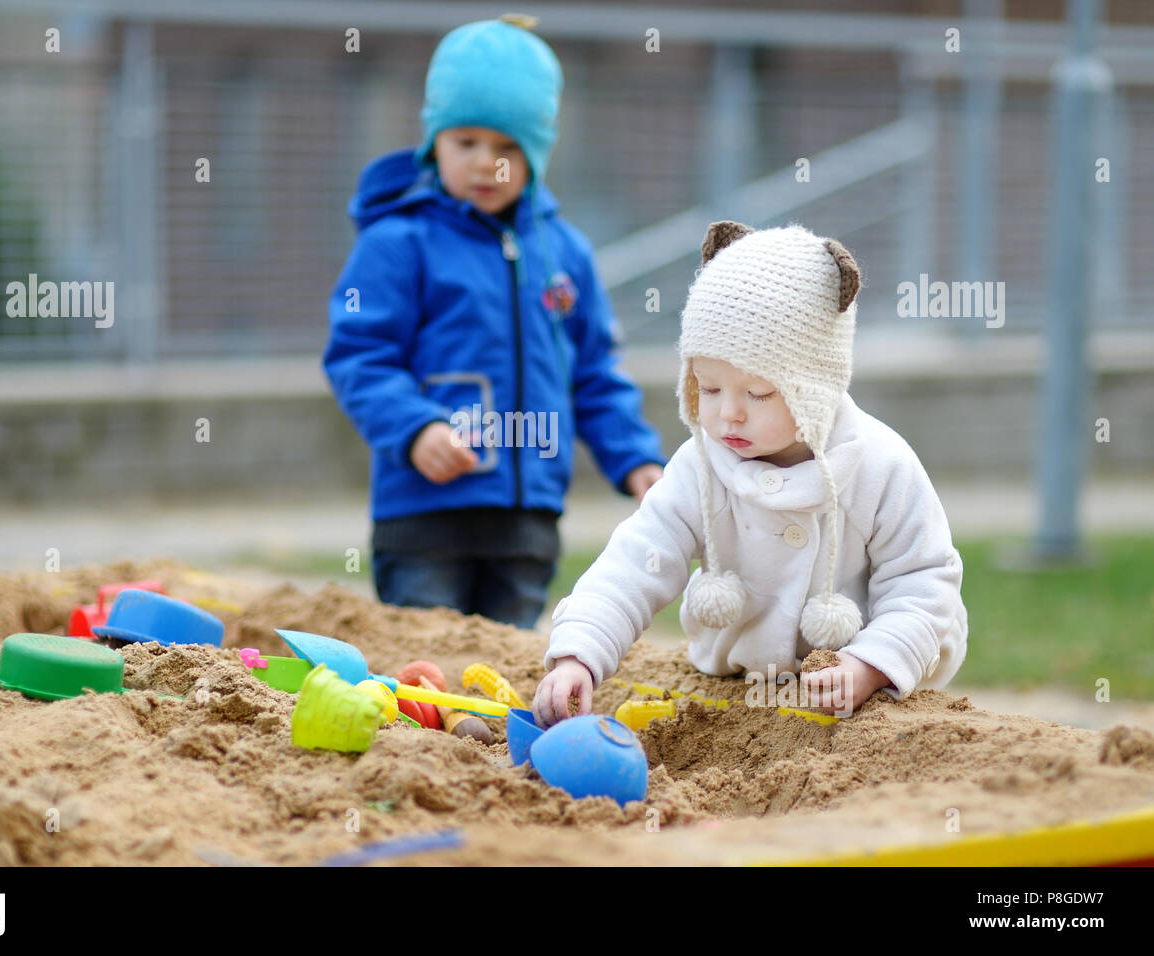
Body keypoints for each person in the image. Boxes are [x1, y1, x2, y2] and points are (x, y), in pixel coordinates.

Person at [533, 220, 969, 726]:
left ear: (815, 385)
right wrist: (578, 653)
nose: (727, 414)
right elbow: (635, 562)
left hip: (861, 697)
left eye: (757, 393)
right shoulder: (700, 465)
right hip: (739, 684)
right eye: (708, 388)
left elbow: (923, 577)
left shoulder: (880, 466)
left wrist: (871, 664)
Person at [323, 15, 665, 630]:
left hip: (527, 520)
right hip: (424, 513)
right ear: (434, 142)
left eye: (508, 148)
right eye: (467, 143)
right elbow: (359, 356)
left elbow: (594, 373)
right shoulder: (398, 243)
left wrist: (636, 458)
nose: (488, 165)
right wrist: (415, 428)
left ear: (537, 151)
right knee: (423, 667)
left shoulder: (566, 254)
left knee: (505, 668)